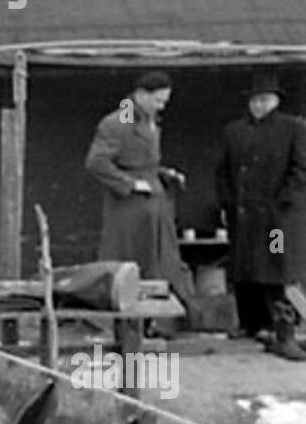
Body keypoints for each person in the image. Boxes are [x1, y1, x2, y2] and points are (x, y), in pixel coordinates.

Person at [85, 71, 194, 328]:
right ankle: (127, 325)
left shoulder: (150, 121)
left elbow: (142, 161)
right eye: (158, 100)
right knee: (130, 261)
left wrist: (164, 173)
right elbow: (96, 162)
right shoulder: (118, 122)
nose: (162, 106)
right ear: (141, 95)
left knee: (158, 261)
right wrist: (131, 184)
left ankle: (150, 323)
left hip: (154, 204)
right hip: (129, 209)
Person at [215, 71, 306, 359]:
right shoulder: (235, 131)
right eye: (254, 100)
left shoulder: (293, 128)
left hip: (278, 219)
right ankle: (250, 322)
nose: (258, 105)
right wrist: (227, 203)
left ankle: (283, 329)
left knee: (277, 266)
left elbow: (301, 169)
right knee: (244, 267)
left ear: (276, 100)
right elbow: (224, 171)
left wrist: (285, 201)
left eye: (264, 99)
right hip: (244, 215)